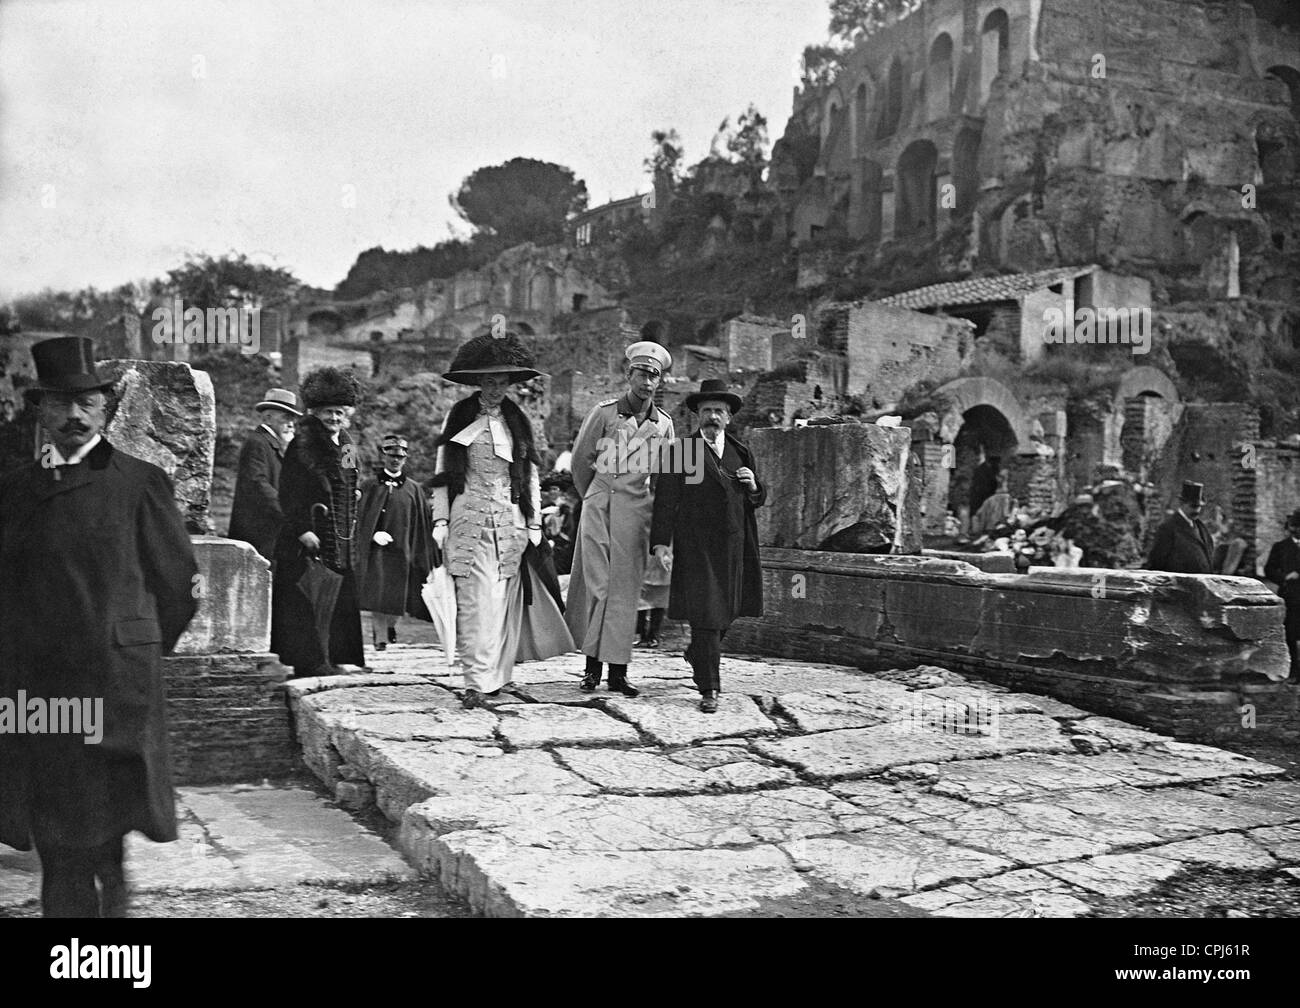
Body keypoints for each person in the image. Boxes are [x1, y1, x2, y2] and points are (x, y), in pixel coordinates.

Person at [0, 336, 198, 917]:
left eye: (86, 401)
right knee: (58, 842)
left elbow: (176, 586)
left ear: (106, 407)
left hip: (117, 690)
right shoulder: (14, 490)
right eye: (60, 403)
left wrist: (128, 647)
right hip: (38, 694)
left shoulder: (139, 483)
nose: (74, 415)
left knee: (109, 844)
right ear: (40, 409)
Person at [430, 332, 573, 708]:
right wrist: (440, 520)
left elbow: (529, 474)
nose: (495, 389)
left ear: (511, 383)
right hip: (468, 519)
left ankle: (499, 676)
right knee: (476, 602)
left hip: (510, 523)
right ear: (478, 382)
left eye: (502, 381)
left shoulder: (517, 419)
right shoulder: (458, 416)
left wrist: (535, 523)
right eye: (489, 381)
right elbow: (443, 471)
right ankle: (477, 682)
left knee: (505, 602)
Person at [650, 378, 766, 713]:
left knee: (728, 612)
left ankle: (698, 652)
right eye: (707, 411)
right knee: (706, 616)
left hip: (735, 545)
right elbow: (665, 501)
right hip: (696, 547)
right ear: (697, 416)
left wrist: (755, 485)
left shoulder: (740, 452)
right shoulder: (682, 452)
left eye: (719, 411)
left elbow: (756, 497)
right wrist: (661, 544)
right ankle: (709, 689)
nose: (713, 417)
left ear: (729, 417)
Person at [566, 341, 675, 695]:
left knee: (626, 593)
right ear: (628, 374)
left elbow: (666, 476)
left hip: (636, 513)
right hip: (600, 504)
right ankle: (591, 669)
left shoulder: (664, 425)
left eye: (654, 376)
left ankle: (618, 673)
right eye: (642, 373)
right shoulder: (604, 413)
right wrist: (595, 497)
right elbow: (580, 462)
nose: (647, 381)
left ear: (660, 382)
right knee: (599, 587)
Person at [271, 366, 365, 676]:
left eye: (338, 412)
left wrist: (355, 492)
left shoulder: (347, 442)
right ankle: (309, 662)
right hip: (311, 533)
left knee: (336, 596)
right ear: (315, 412)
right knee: (306, 598)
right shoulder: (304, 444)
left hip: (340, 534)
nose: (334, 418)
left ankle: (334, 656)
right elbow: (289, 491)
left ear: (346, 413)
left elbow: (350, 476)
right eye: (327, 412)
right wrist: (303, 530)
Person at [355, 434, 433, 651]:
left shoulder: (413, 489)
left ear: (405, 459)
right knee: (377, 592)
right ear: (384, 456)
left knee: (397, 595)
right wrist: (371, 535)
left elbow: (422, 522)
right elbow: (359, 516)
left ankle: (390, 627)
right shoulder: (369, 485)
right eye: (391, 455)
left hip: (402, 551)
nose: (395, 460)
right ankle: (380, 637)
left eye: (399, 456)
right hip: (376, 550)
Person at [227, 387, 300, 563]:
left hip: (269, 534)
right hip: (257, 534)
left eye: (293, 419)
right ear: (268, 418)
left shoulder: (271, 444)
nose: (291, 424)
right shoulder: (257, 442)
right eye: (286, 418)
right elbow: (258, 484)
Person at [1263, 508, 1300, 677]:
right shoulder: (1280, 547)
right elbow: (1269, 569)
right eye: (1293, 526)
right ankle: (1293, 672)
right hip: (1290, 598)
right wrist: (1285, 577)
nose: (1296, 530)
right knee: (1290, 636)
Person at [1146, 481, 1213, 574]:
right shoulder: (1168, 528)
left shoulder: (1201, 527)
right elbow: (1157, 563)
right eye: (1193, 506)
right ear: (1182, 503)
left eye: (1199, 507)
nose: (1197, 511)